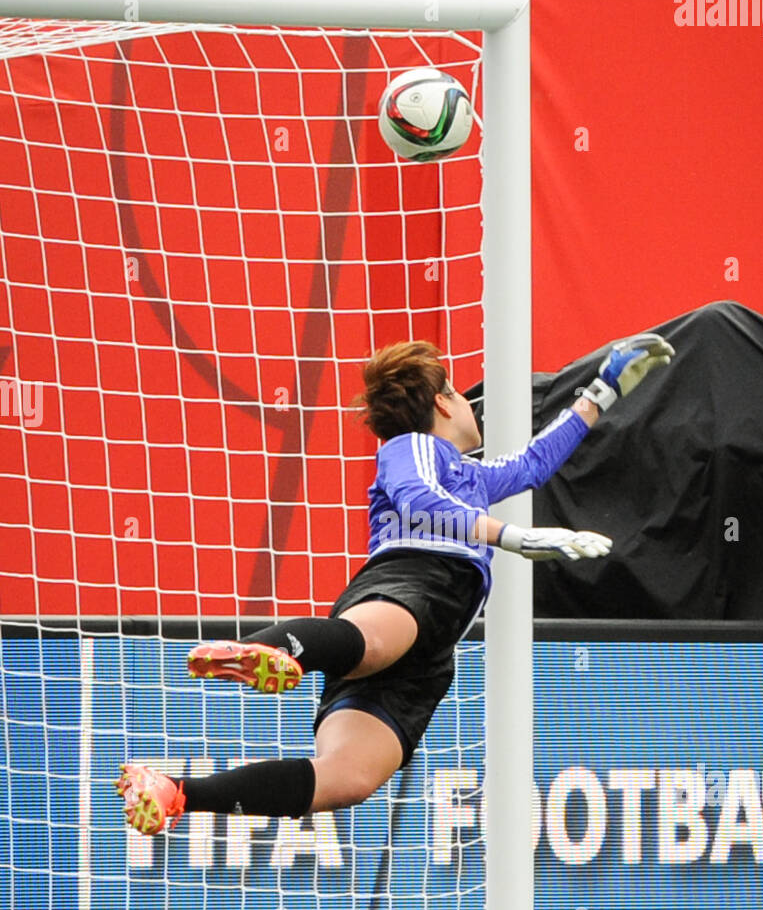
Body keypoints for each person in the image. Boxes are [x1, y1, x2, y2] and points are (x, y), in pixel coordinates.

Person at [117, 333, 673, 835]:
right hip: (415, 576)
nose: (468, 403)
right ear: (441, 402)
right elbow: (419, 503)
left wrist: (601, 393)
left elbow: (531, 465)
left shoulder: (468, 474)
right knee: (376, 642)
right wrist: (513, 537)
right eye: (458, 391)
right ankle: (269, 649)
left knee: (348, 779)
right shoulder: (412, 448)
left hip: (436, 640)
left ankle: (179, 791)